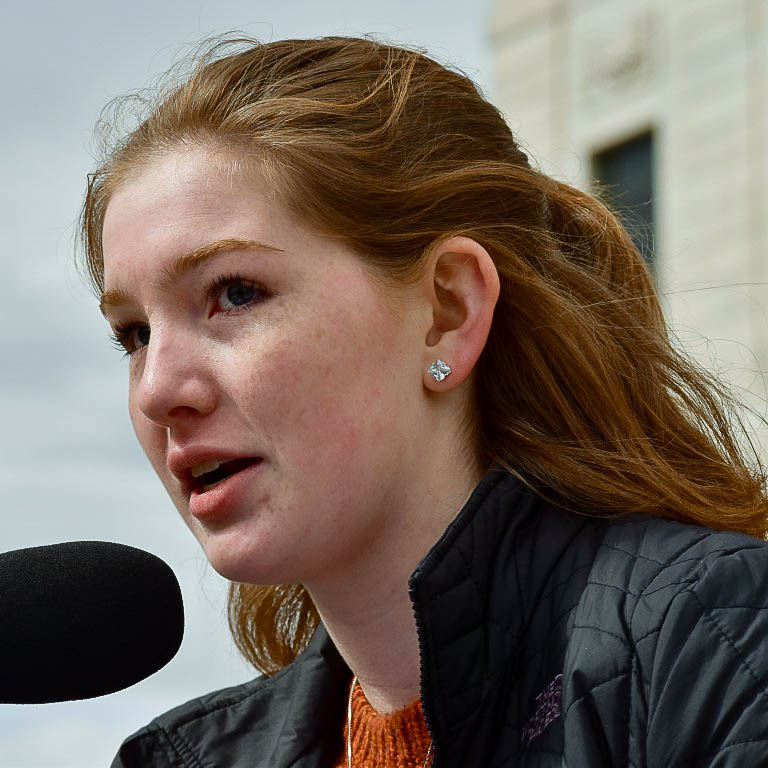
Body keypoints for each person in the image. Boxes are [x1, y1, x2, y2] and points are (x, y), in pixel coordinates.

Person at [79, 35, 768, 768]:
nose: (158, 390)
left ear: (448, 309)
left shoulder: (716, 644)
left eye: (235, 294)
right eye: (134, 334)